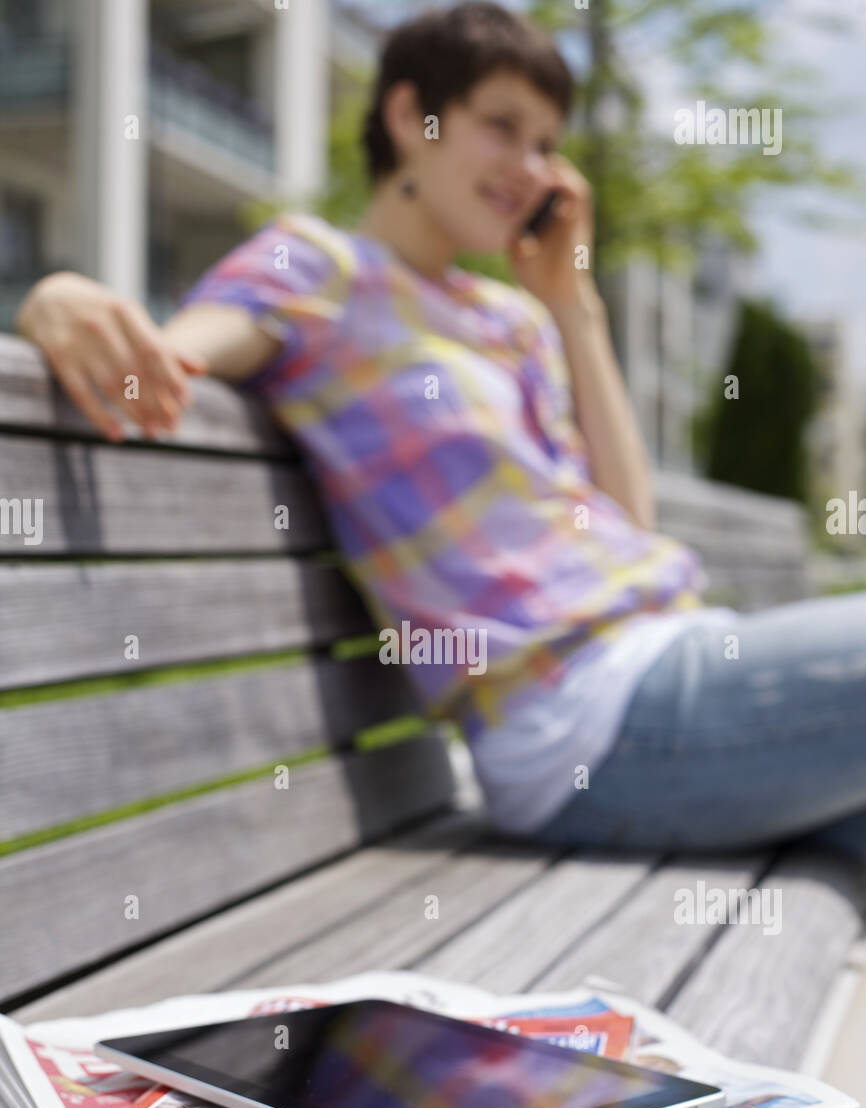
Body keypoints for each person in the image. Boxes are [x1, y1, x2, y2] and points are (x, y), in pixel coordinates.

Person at [15, 2, 866, 864]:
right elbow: (152, 371)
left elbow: (627, 526)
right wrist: (56, 299)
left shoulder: (515, 321)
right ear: (406, 117)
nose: (531, 169)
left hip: (673, 654)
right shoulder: (321, 270)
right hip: (576, 717)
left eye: (545, 144)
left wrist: (575, 307)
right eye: (502, 127)